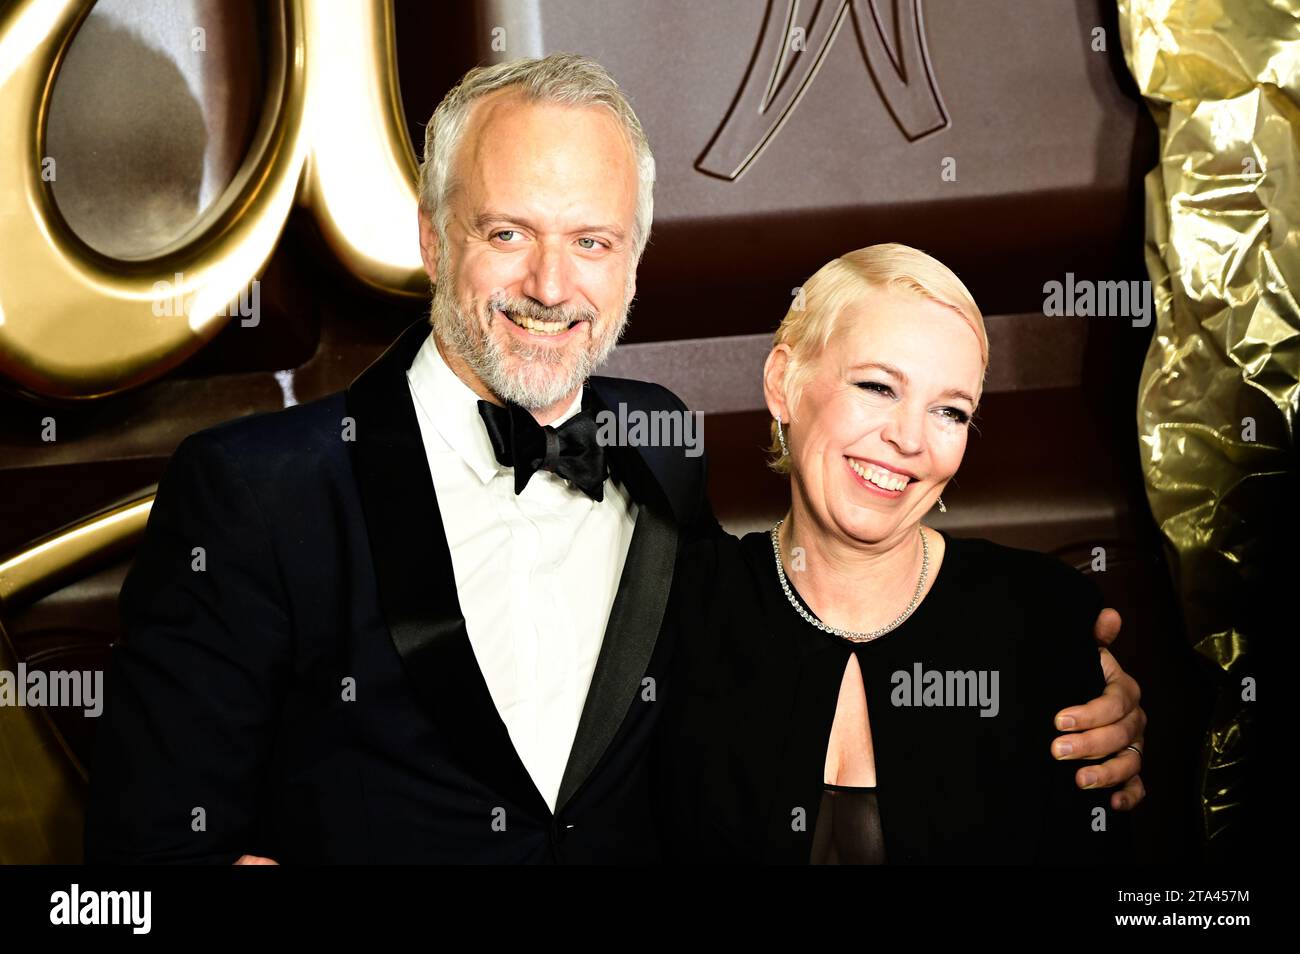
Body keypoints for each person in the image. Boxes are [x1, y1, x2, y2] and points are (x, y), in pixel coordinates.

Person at [84, 56, 1144, 865]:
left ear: (634, 261)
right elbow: (135, 868)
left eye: (591, 241)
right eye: (508, 233)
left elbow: (794, 651)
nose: (552, 285)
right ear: (433, 238)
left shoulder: (657, 443)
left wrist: (1084, 699)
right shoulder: (255, 490)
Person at [656, 245, 1139, 863]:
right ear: (783, 383)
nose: (909, 439)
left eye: (950, 411)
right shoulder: (676, 605)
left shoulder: (1041, 615)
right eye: (877, 386)